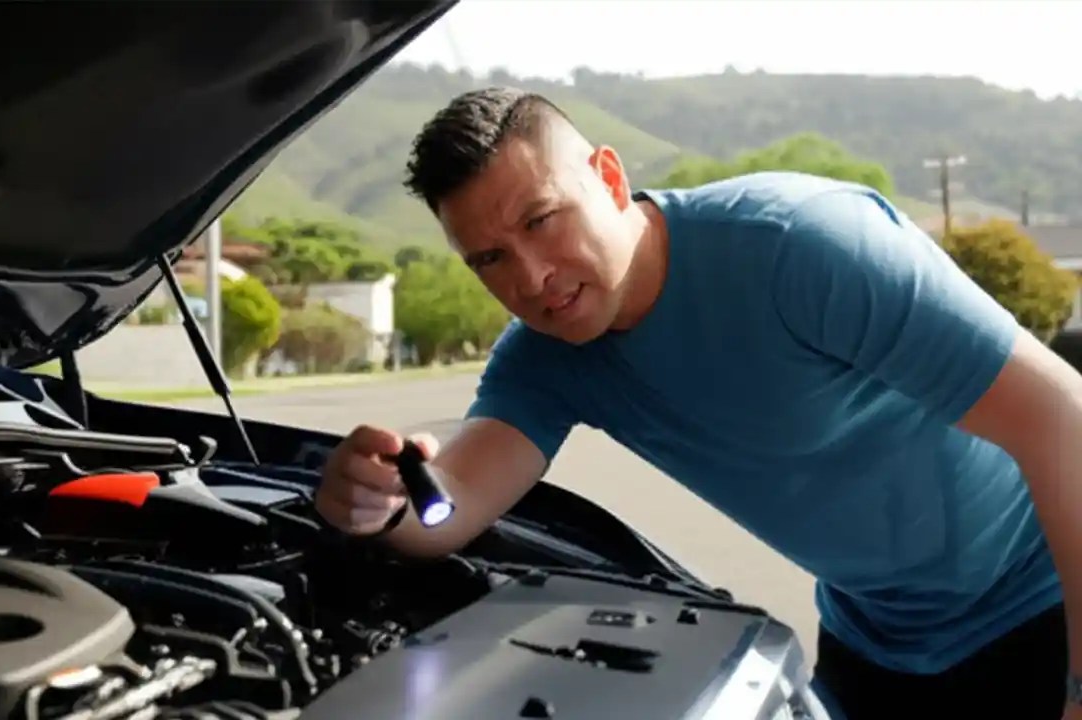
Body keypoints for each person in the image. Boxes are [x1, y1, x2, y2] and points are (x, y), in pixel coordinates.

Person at [313, 86, 1082, 719]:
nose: (532, 277)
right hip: (877, 645)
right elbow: (455, 503)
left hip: (1045, 607)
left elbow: (1063, 419)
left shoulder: (799, 245)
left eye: (541, 220)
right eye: (490, 258)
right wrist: (380, 500)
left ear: (610, 179)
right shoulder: (550, 354)